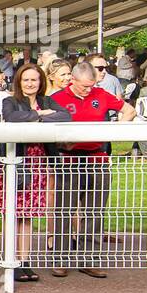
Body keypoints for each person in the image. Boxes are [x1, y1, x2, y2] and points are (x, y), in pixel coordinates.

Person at [48, 60, 135, 278]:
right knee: (64, 211)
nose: (88, 89)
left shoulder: (101, 95)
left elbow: (129, 110)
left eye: (91, 85)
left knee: (94, 211)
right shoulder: (57, 99)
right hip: (68, 161)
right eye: (84, 86)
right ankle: (60, 259)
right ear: (73, 80)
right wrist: (59, 144)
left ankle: (90, 259)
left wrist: (116, 131)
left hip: (97, 160)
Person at [0, 64, 71, 282]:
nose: (30, 84)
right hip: (15, 161)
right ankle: (12, 259)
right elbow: (11, 117)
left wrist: (37, 115)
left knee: (28, 215)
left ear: (41, 82)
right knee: (12, 214)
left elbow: (64, 116)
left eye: (34, 80)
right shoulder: (10, 101)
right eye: (26, 80)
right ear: (19, 81)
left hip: (38, 163)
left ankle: (25, 260)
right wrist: (39, 114)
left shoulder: (48, 101)